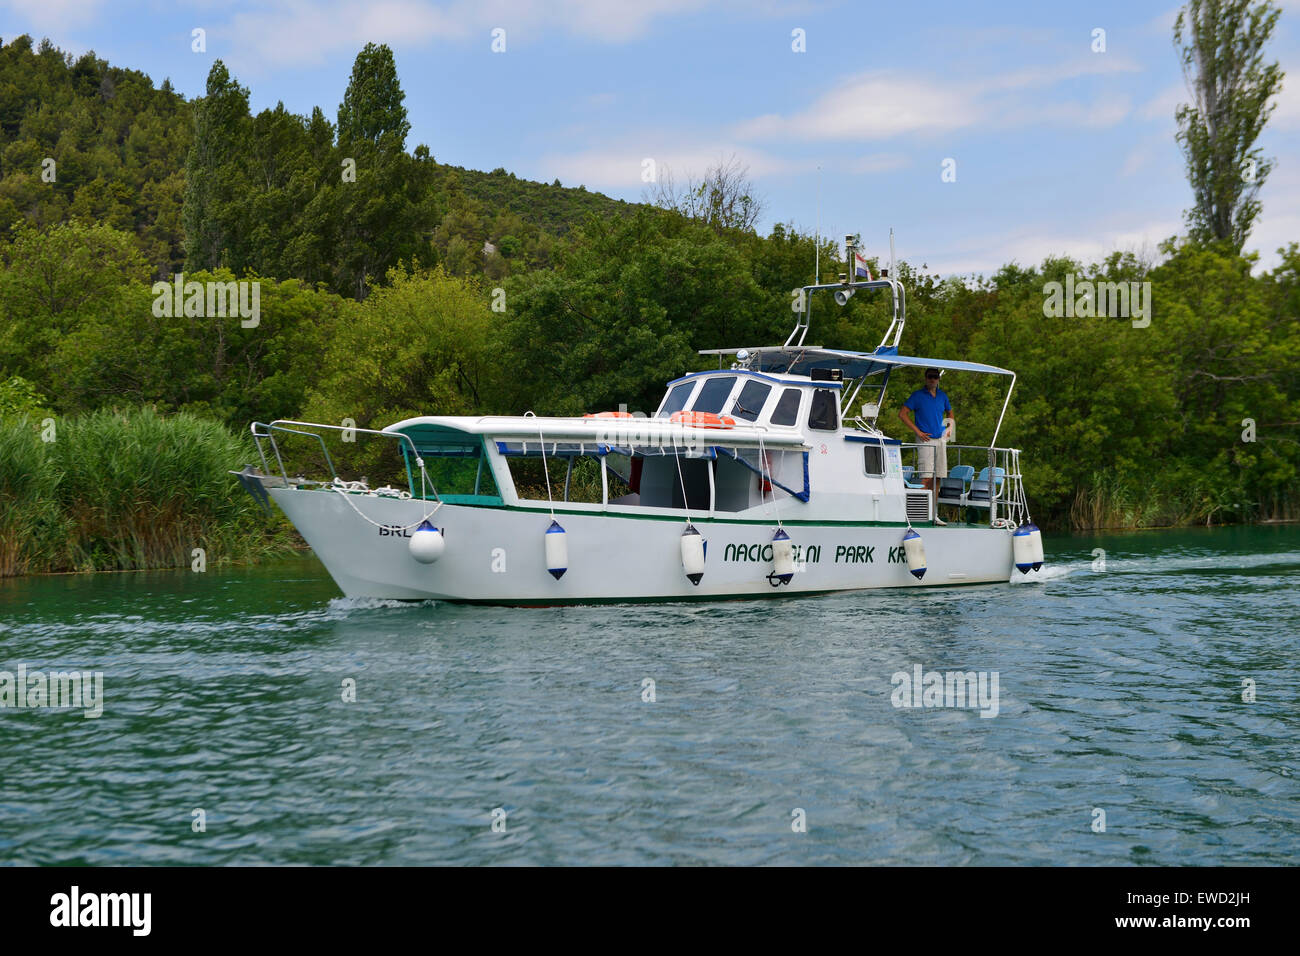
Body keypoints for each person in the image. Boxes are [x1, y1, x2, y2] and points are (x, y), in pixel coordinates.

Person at [899, 368, 954, 524]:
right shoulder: (917, 395)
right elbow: (902, 413)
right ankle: (919, 514)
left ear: (938, 379)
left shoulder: (942, 396)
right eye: (930, 377)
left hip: (940, 440)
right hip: (925, 440)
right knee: (926, 477)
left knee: (938, 478)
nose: (932, 380)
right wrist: (918, 431)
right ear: (925, 378)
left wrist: (949, 429)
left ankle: (933, 514)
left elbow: (950, 413)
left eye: (935, 377)